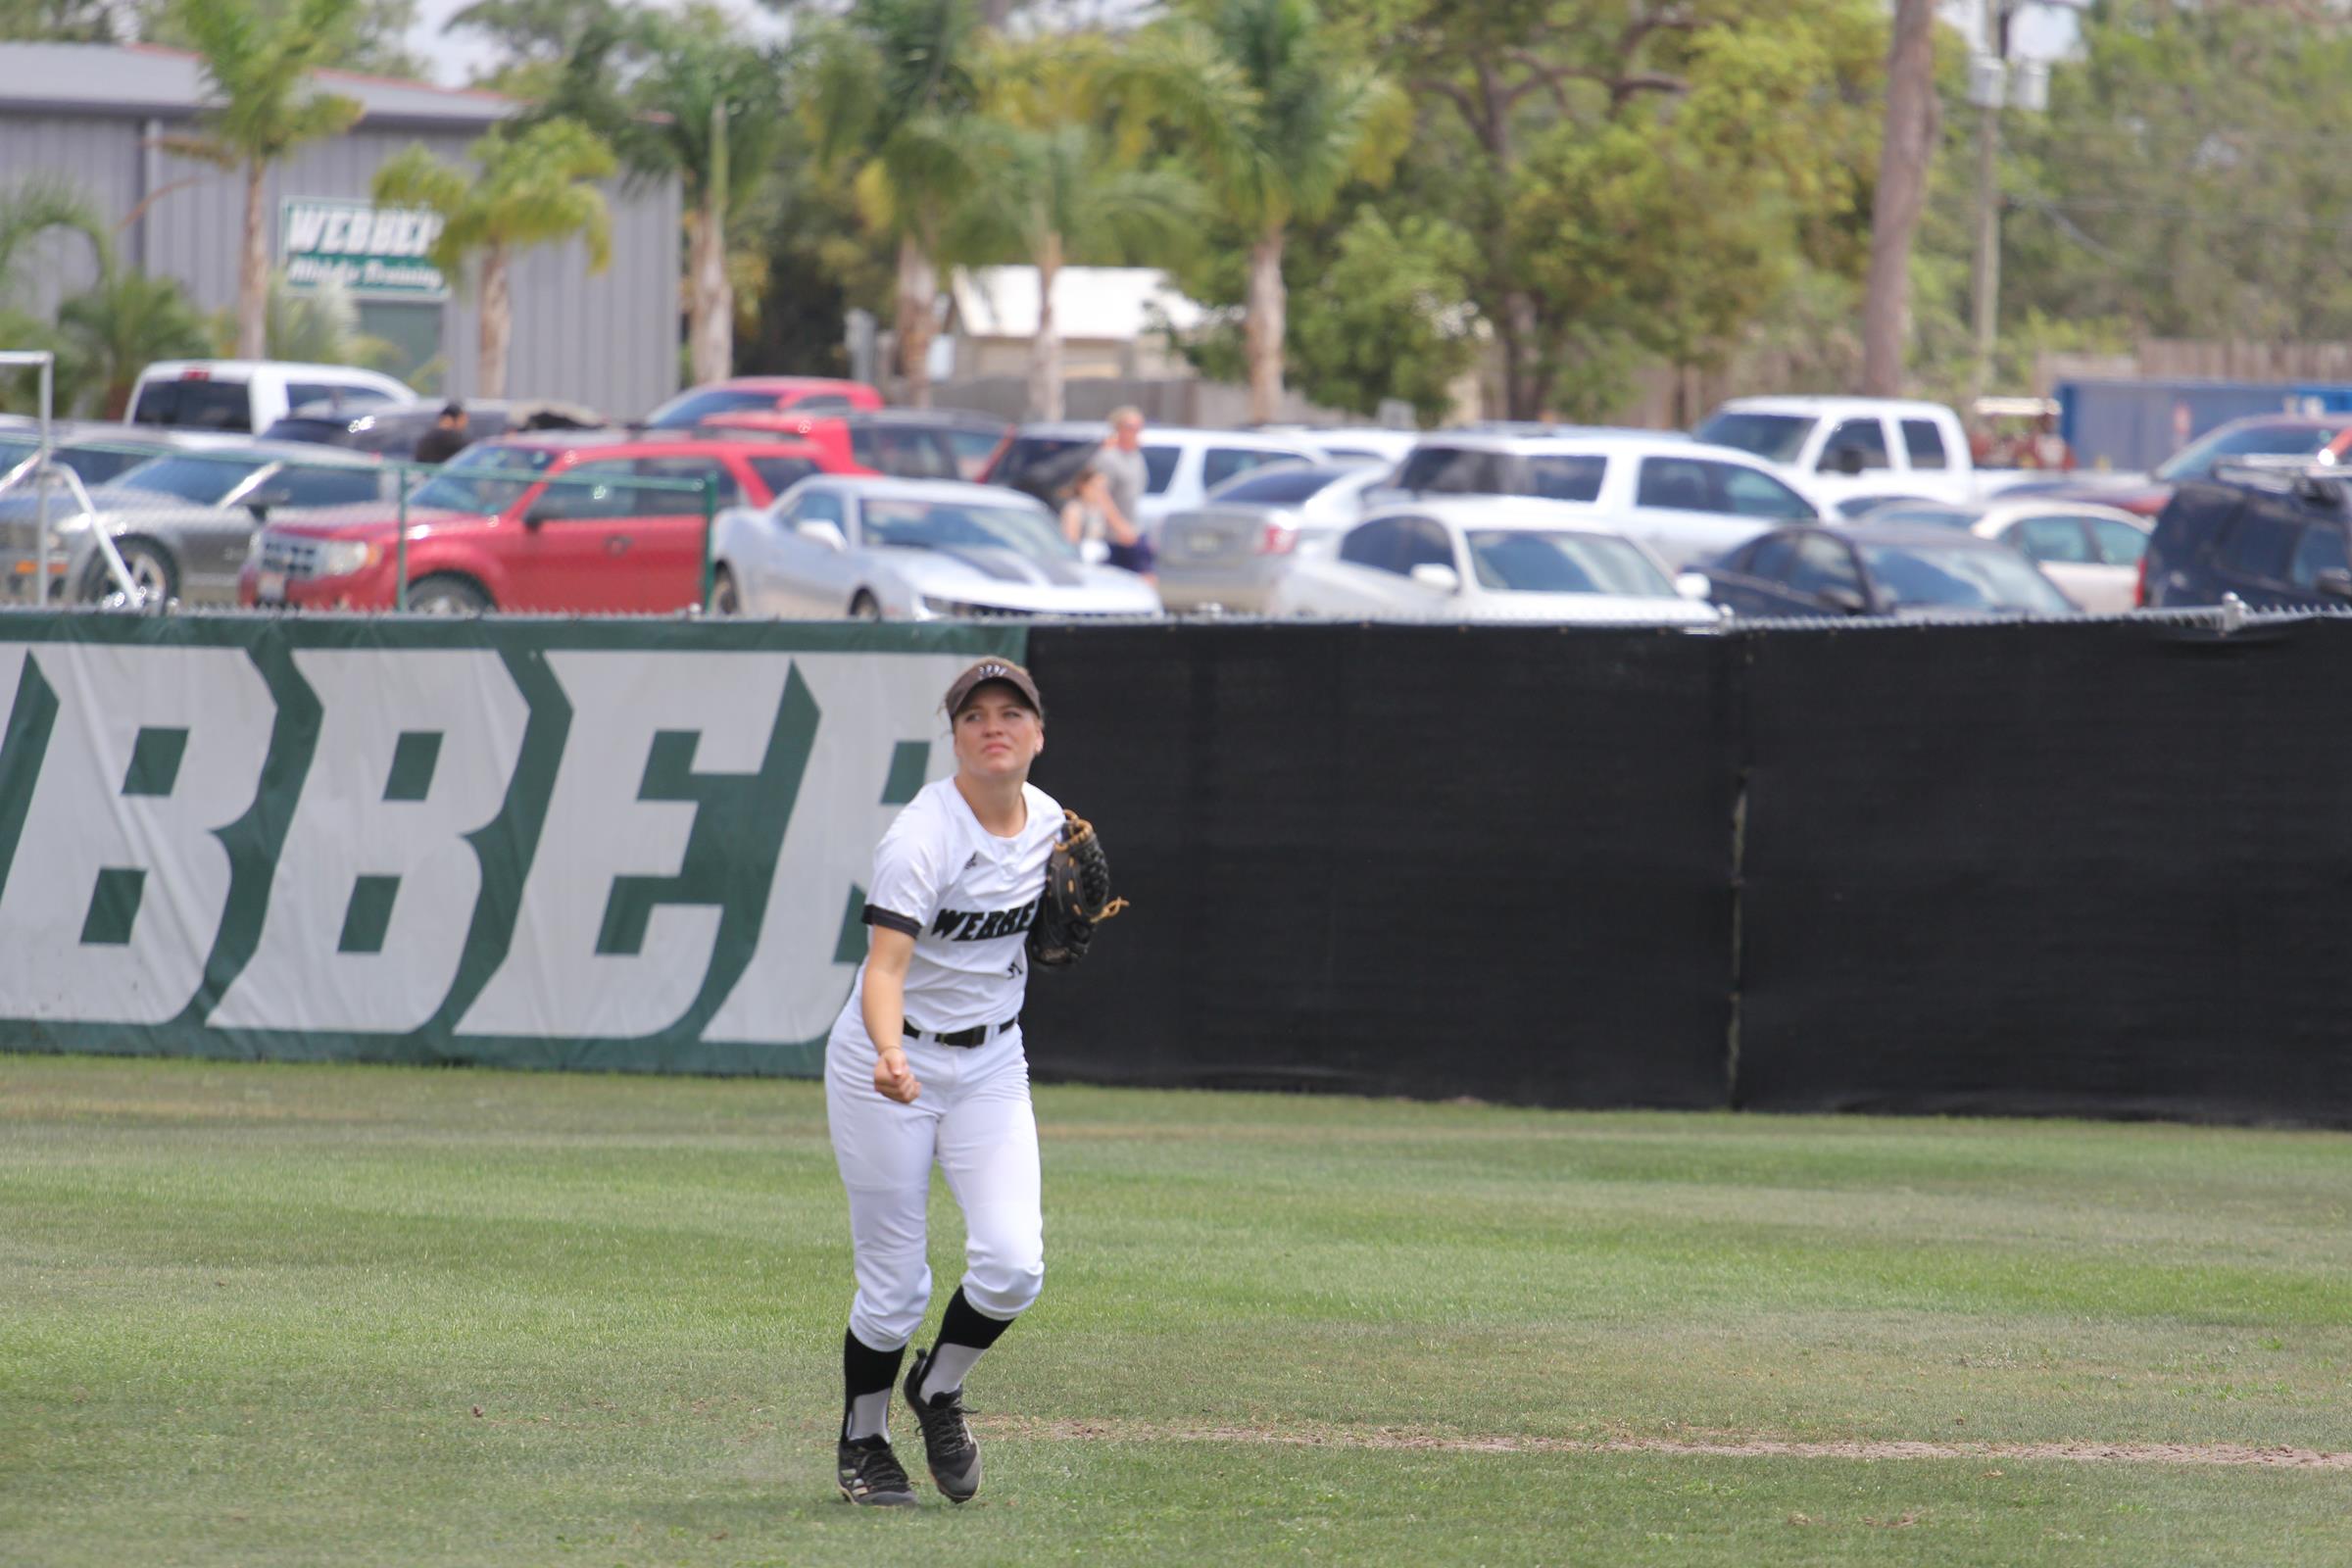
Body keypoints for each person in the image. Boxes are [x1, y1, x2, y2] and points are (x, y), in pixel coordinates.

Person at [828, 658, 1063, 1508]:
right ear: (956, 735)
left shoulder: (1056, 831)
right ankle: (862, 1439)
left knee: (1013, 1266)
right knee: (895, 1289)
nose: (993, 726)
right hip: (887, 1063)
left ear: (1039, 733)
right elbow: (883, 970)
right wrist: (891, 1053)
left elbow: (1049, 935)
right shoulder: (922, 838)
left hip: (993, 1061)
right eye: (974, 716)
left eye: (1011, 713)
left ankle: (936, 1389)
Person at [1060, 407, 1153, 581]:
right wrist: (1120, 527)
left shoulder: (1136, 457)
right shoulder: (1107, 458)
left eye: (1138, 427)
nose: (1135, 431)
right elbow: (1100, 494)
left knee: (1145, 580)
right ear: (1118, 428)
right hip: (1113, 536)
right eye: (1130, 427)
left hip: (1133, 529)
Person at [412, 402, 471, 466]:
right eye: (462, 419)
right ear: (449, 419)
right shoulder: (452, 438)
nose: (465, 423)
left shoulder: (426, 437)